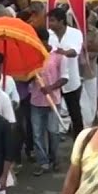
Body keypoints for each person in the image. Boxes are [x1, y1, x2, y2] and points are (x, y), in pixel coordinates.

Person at [29, 27, 66, 176]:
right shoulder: (32, 57)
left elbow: (64, 77)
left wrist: (50, 88)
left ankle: (55, 159)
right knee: (37, 134)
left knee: (53, 132)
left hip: (53, 100)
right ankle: (43, 162)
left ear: (45, 41)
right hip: (36, 101)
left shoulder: (57, 56)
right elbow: (28, 77)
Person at [47, 8, 85, 137]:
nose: (50, 24)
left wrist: (59, 52)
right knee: (52, 114)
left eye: (52, 21)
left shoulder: (75, 33)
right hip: (53, 81)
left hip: (71, 81)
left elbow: (74, 52)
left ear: (61, 21)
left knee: (75, 114)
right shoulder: (48, 35)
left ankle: (80, 143)